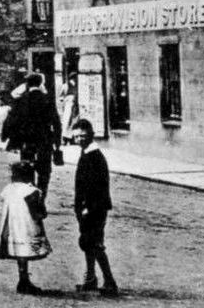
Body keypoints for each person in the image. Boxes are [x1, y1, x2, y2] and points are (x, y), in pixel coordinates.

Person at [72, 118, 118, 296]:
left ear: (90, 135)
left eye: (83, 136)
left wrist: (87, 208)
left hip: (93, 209)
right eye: (76, 137)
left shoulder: (94, 157)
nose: (79, 139)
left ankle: (109, 281)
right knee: (88, 243)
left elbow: (97, 187)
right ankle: (90, 278)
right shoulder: (86, 153)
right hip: (87, 209)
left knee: (94, 243)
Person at [2, 73, 62, 196]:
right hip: (44, 141)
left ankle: (31, 198)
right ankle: (42, 197)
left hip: (27, 142)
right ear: (40, 84)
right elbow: (56, 123)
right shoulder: (47, 99)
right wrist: (57, 143)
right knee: (44, 172)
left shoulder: (21, 100)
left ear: (27, 84)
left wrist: (7, 137)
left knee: (27, 169)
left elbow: (12, 120)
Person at [0, 160, 52, 295]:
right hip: (26, 226)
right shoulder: (31, 191)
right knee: (25, 251)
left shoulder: (8, 189)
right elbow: (39, 214)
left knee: (19, 252)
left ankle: (23, 279)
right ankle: (23, 281)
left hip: (11, 226)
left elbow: (2, 207)